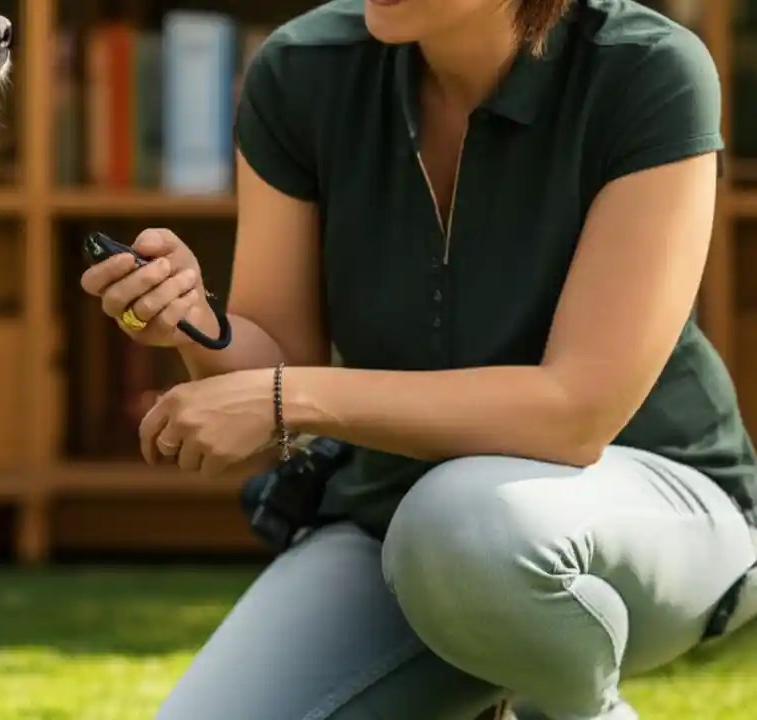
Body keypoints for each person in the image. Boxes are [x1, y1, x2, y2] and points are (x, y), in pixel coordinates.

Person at [79, 0, 757, 718]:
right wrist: (195, 323)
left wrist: (287, 397)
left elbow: (574, 414)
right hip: (388, 518)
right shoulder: (302, 70)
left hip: (651, 512)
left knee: (463, 524)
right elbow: (276, 371)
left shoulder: (646, 69)